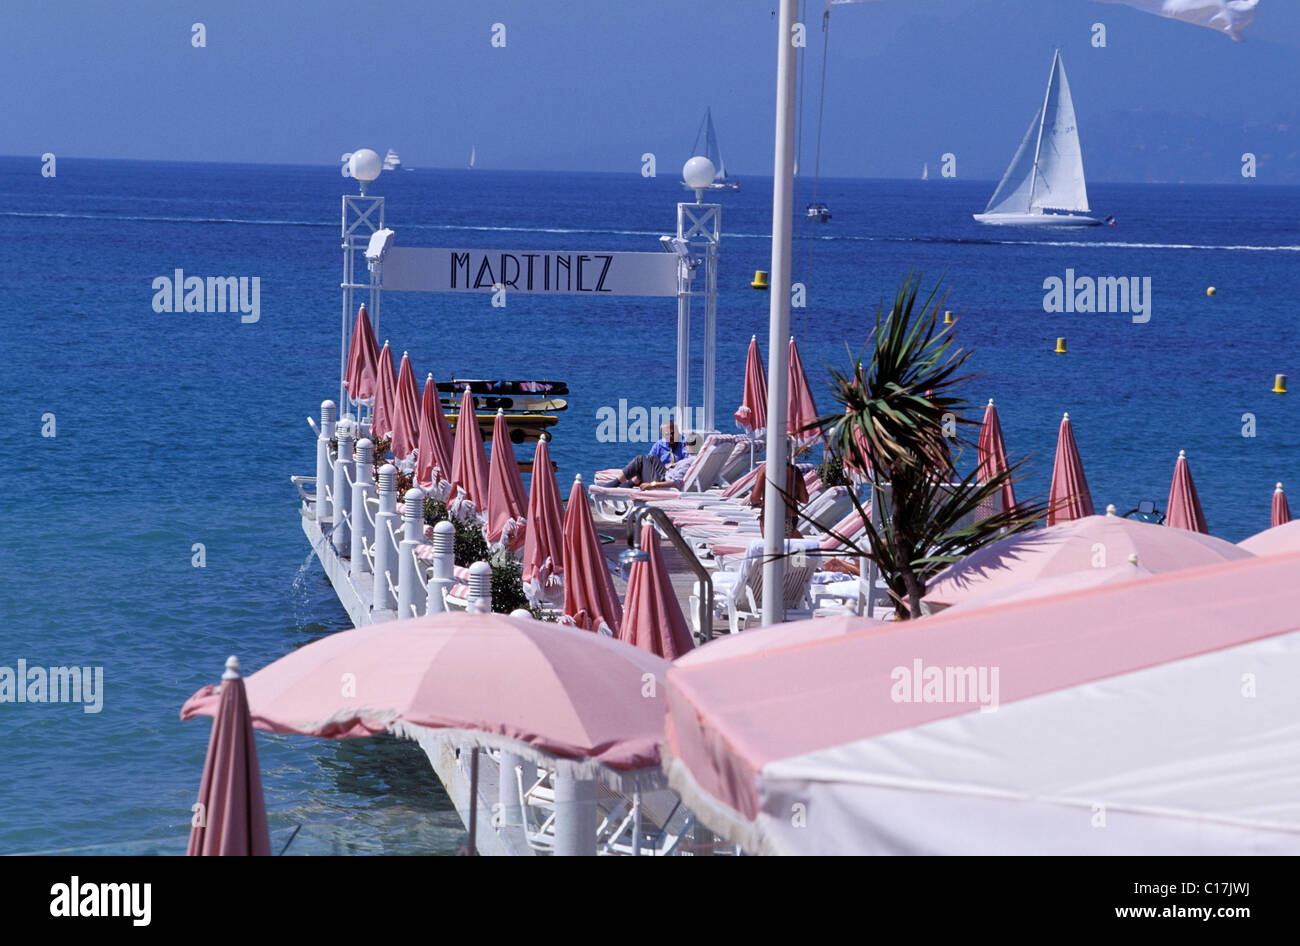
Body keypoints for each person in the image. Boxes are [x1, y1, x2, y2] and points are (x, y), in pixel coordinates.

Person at [602, 421, 689, 488]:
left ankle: (620, 483)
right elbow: (647, 463)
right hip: (661, 473)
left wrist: (670, 466)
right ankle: (628, 486)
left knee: (640, 459)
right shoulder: (659, 445)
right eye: (667, 434)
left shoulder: (685, 443)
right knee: (651, 457)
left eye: (673, 433)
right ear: (662, 434)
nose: (670, 436)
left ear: (677, 432)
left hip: (668, 478)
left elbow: (687, 461)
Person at [750, 457, 809, 537]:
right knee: (788, 546)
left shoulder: (765, 468)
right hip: (790, 517)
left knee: (770, 546)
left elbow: (754, 498)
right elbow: (804, 499)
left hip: (770, 517)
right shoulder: (795, 470)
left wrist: (760, 503)